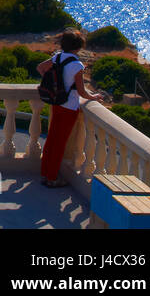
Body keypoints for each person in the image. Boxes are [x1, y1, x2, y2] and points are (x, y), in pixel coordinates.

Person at [36, 31, 105, 187]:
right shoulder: (76, 65)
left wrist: (53, 84)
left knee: (51, 140)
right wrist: (94, 97)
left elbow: (40, 68)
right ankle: (52, 178)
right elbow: (81, 92)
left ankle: (45, 173)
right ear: (78, 47)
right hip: (69, 107)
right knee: (60, 144)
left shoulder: (58, 57)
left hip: (57, 104)